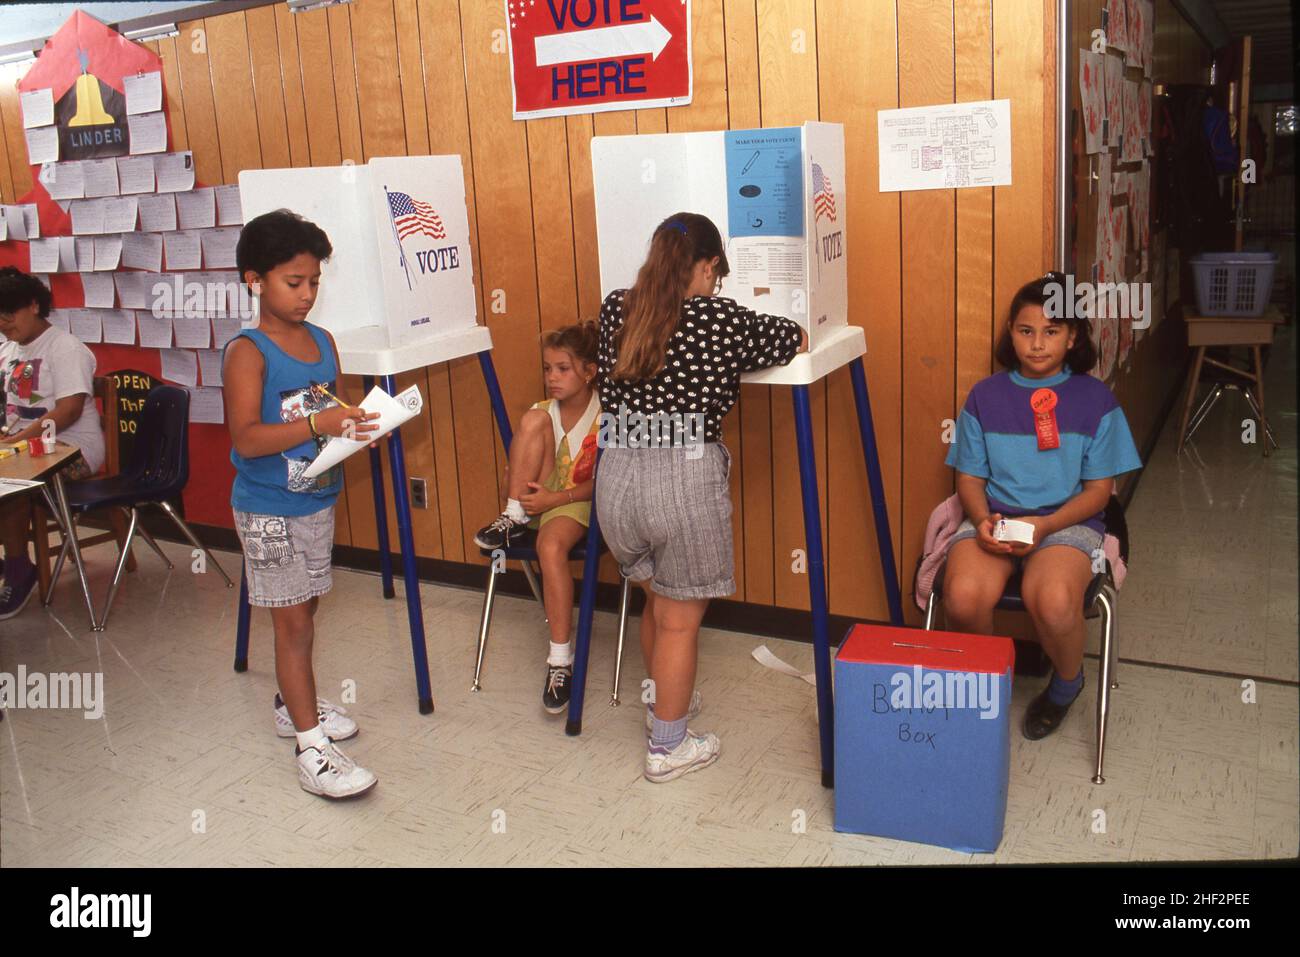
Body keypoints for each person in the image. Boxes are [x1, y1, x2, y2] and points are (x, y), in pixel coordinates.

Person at [595, 212, 804, 782]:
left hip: (616, 478)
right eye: (718, 273)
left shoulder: (618, 305)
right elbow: (794, 337)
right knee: (681, 619)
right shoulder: (720, 317)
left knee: (656, 600)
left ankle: (659, 698)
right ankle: (668, 746)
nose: (717, 284)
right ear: (708, 265)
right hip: (683, 479)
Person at [224, 209, 383, 799]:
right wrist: (321, 420)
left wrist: (359, 424)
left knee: (306, 608)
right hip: (267, 508)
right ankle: (312, 749)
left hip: (316, 498)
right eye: (294, 282)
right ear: (254, 279)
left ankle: (293, 705)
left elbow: (330, 415)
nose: (307, 294)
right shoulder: (248, 352)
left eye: (314, 281)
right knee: (290, 623)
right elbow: (247, 437)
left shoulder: (322, 341)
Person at [943, 272, 1142, 739]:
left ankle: (1066, 685)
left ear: (1073, 337)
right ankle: (983, 684)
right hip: (994, 516)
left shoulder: (1096, 399)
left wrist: (1045, 524)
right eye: (1025, 331)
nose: (1037, 344)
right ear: (1010, 331)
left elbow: (1098, 492)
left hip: (1068, 520)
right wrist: (980, 519)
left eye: (1051, 332)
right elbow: (968, 477)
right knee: (963, 596)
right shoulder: (984, 395)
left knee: (1051, 601)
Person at [475, 322, 601, 713]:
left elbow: (606, 485)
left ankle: (559, 662)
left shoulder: (608, 414)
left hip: (575, 502)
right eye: (547, 368)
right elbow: (514, 476)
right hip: (531, 500)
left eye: (563, 368)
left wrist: (556, 499)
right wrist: (526, 500)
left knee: (549, 547)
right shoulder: (542, 413)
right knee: (531, 419)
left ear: (589, 371)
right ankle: (510, 518)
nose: (552, 378)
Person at [0, 267, 104, 620]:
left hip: (71, 448)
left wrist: (14, 442)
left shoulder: (65, 347)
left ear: (33, 305)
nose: (3, 322)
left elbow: (70, 410)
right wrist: (8, 437)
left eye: (8, 313)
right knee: (12, 470)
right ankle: (10, 559)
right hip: (25, 446)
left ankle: (19, 570)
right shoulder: (9, 348)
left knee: (11, 485)